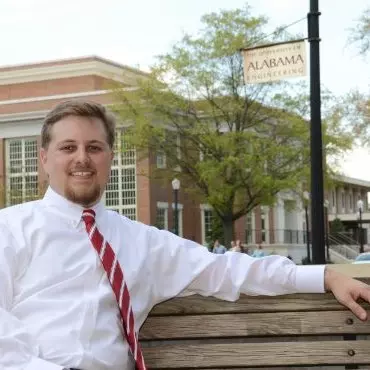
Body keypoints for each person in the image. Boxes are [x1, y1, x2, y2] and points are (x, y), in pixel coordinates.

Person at [0, 100, 369, 370]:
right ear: (44, 159)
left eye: (94, 148)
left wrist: (324, 275)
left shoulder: (141, 241)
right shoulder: (9, 229)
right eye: (68, 147)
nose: (82, 158)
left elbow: (225, 270)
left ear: (109, 158)